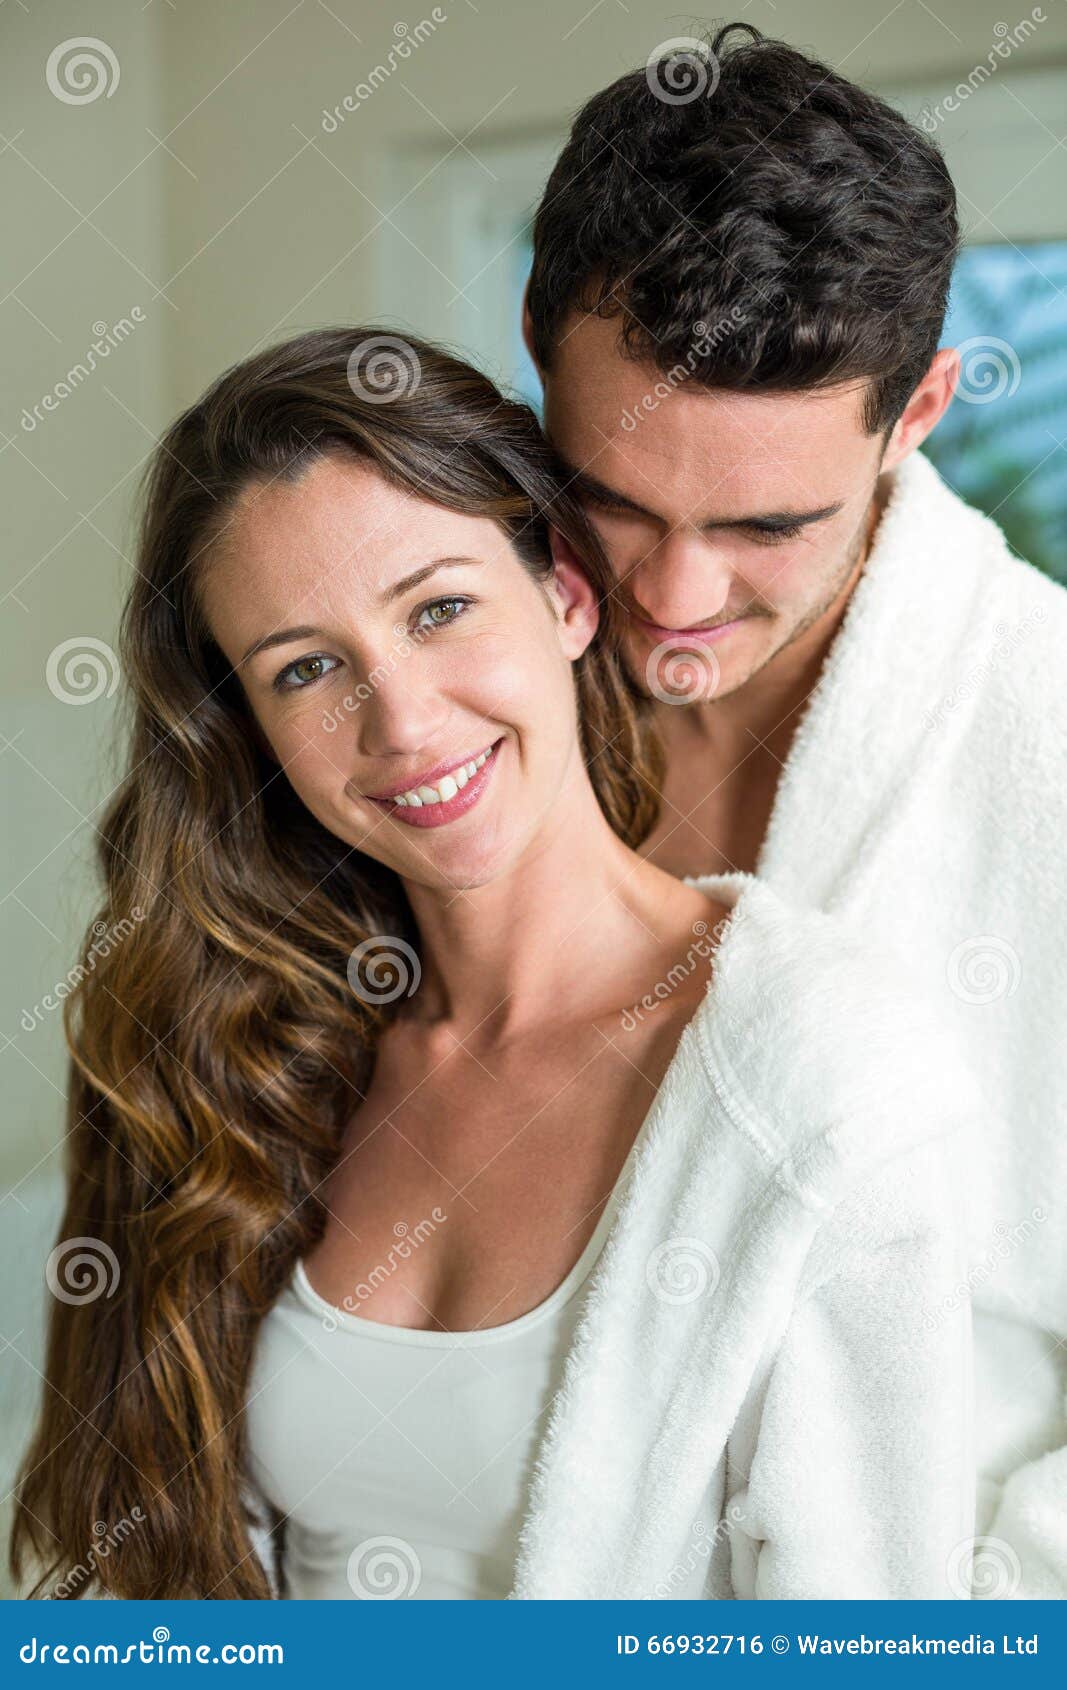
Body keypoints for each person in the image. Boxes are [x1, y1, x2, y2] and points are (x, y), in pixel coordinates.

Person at [10, 328, 976, 1601]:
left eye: (439, 608)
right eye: (306, 667)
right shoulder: (233, 1047)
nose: (402, 721)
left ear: (568, 594)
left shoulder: (829, 1075)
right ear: (248, 729)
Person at [521, 21, 1067, 1598]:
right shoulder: (469, 683)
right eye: (613, 498)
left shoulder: (1047, 740)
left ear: (919, 412)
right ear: (539, 351)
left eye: (764, 522)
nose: (670, 596)